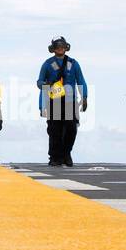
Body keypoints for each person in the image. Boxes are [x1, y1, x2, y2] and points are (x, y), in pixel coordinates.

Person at [38, 36, 88, 167]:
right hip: (54, 101)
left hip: (70, 101)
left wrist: (84, 97)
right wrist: (42, 102)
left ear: (66, 47)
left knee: (72, 128)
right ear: (53, 48)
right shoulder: (48, 64)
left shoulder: (73, 63)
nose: (60, 48)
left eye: (62, 45)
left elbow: (81, 81)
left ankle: (66, 153)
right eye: (57, 46)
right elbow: (39, 83)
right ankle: (55, 157)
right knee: (54, 130)